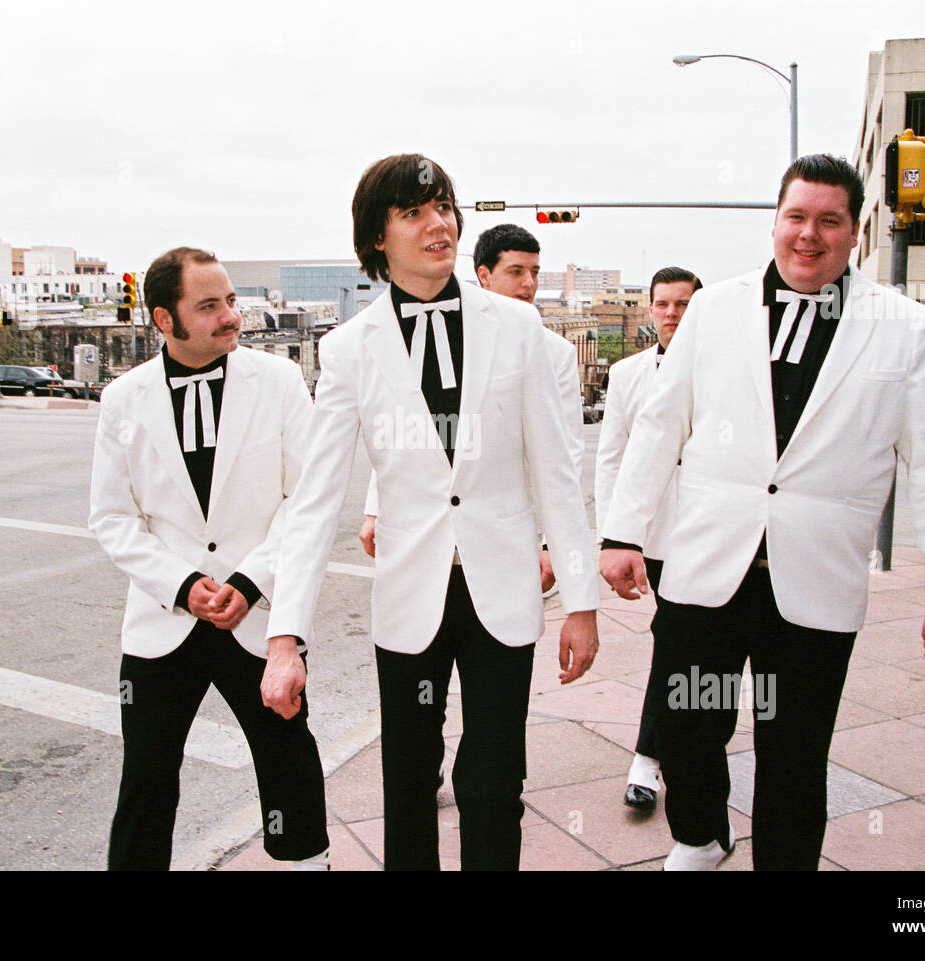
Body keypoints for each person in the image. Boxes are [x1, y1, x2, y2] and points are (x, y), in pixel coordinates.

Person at [600, 154, 925, 871]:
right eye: (796, 217)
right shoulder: (715, 309)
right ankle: (703, 834)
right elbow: (658, 425)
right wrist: (622, 532)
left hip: (812, 586)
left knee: (795, 756)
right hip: (708, 571)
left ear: (855, 229)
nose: (810, 235)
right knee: (684, 727)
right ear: (775, 221)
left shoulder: (900, 326)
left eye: (829, 221)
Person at [263, 154, 599, 871]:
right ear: (378, 239)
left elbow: (556, 472)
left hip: (501, 590)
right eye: (414, 212)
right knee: (409, 783)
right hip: (410, 590)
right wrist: (284, 636)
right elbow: (317, 498)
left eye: (444, 206)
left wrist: (581, 598)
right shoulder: (349, 349)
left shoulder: (516, 326)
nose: (438, 223)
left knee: (494, 781)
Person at [88, 247, 329, 871]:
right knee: (145, 781)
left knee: (289, 765)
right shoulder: (123, 399)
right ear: (164, 320)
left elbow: (304, 500)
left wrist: (249, 582)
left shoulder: (277, 382)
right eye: (209, 306)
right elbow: (112, 518)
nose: (230, 316)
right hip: (164, 621)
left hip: (256, 618)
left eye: (229, 300)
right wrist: (184, 583)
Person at [359, 222, 584, 598]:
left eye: (535, 273)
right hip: (423, 540)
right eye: (516, 272)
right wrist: (374, 507)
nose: (528, 284)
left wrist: (552, 545)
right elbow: (404, 427)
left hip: (504, 533)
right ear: (484, 276)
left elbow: (567, 453)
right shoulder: (441, 333)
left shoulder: (556, 353)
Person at [595, 266, 702, 813]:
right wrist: (614, 538)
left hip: (706, 536)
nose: (671, 314)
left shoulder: (721, 368)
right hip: (649, 534)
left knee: (676, 641)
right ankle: (664, 756)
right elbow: (611, 456)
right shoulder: (627, 373)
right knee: (678, 644)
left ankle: (648, 762)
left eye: (683, 304)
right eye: (662, 304)